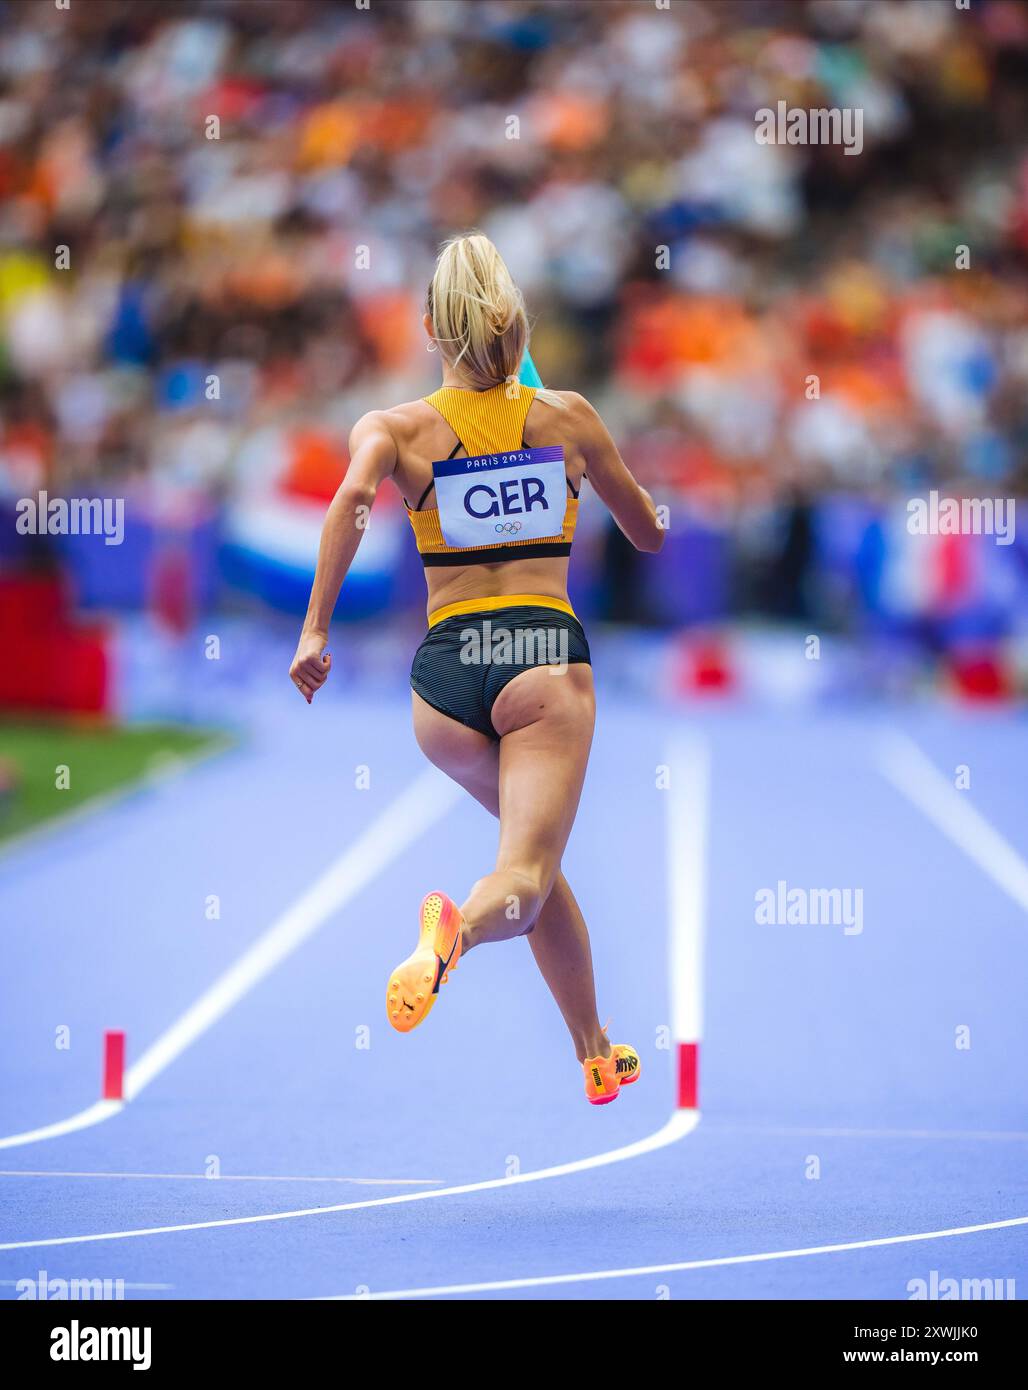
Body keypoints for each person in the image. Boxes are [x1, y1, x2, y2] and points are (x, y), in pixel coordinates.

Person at [290, 233, 664, 1104]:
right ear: (519, 326)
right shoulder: (566, 418)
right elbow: (646, 531)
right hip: (538, 660)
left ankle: (595, 1048)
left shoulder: (393, 428)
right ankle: (452, 935)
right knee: (522, 882)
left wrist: (314, 629)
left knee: (529, 864)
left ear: (428, 326)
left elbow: (349, 501)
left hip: (443, 684)